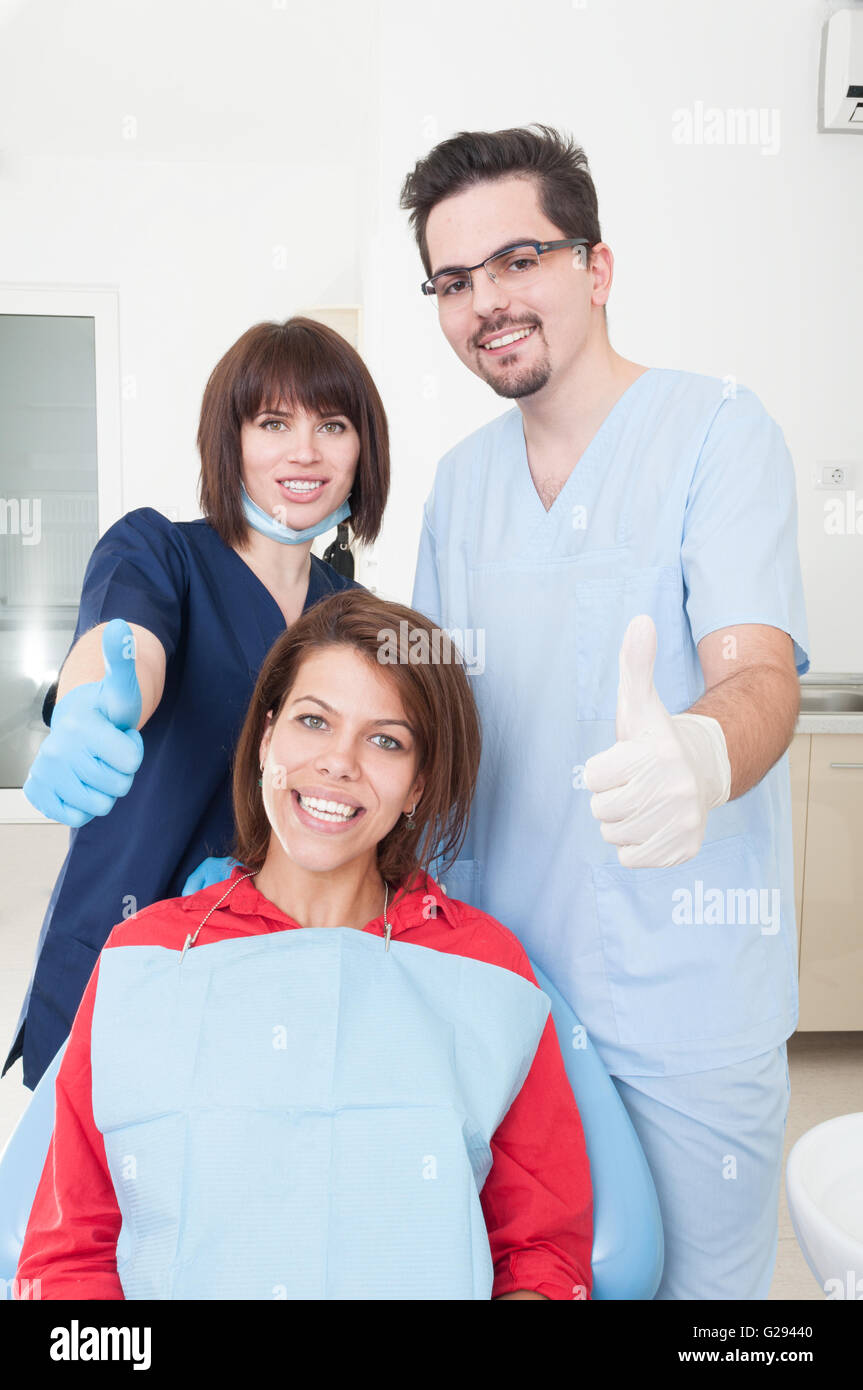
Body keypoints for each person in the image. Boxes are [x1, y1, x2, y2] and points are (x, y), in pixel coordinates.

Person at [399, 123, 809, 1299]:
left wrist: (697, 749)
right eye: (454, 280)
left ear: (595, 265)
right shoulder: (459, 487)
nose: (487, 301)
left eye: (517, 258)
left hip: (679, 1005)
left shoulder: (715, 434)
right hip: (503, 995)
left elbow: (759, 676)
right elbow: (429, 725)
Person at [15, 590, 593, 1301]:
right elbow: (71, 1256)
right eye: (312, 721)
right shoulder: (146, 958)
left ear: (417, 784)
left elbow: (539, 1251)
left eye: (386, 740)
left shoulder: (482, 967)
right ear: (266, 741)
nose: (338, 762)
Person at [4, 317, 387, 1091]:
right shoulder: (159, 551)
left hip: (271, 965)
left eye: (332, 425)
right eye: (273, 422)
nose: (304, 451)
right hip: (127, 950)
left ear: (361, 452)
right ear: (229, 440)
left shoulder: (353, 616)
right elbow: (125, 643)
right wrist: (95, 708)